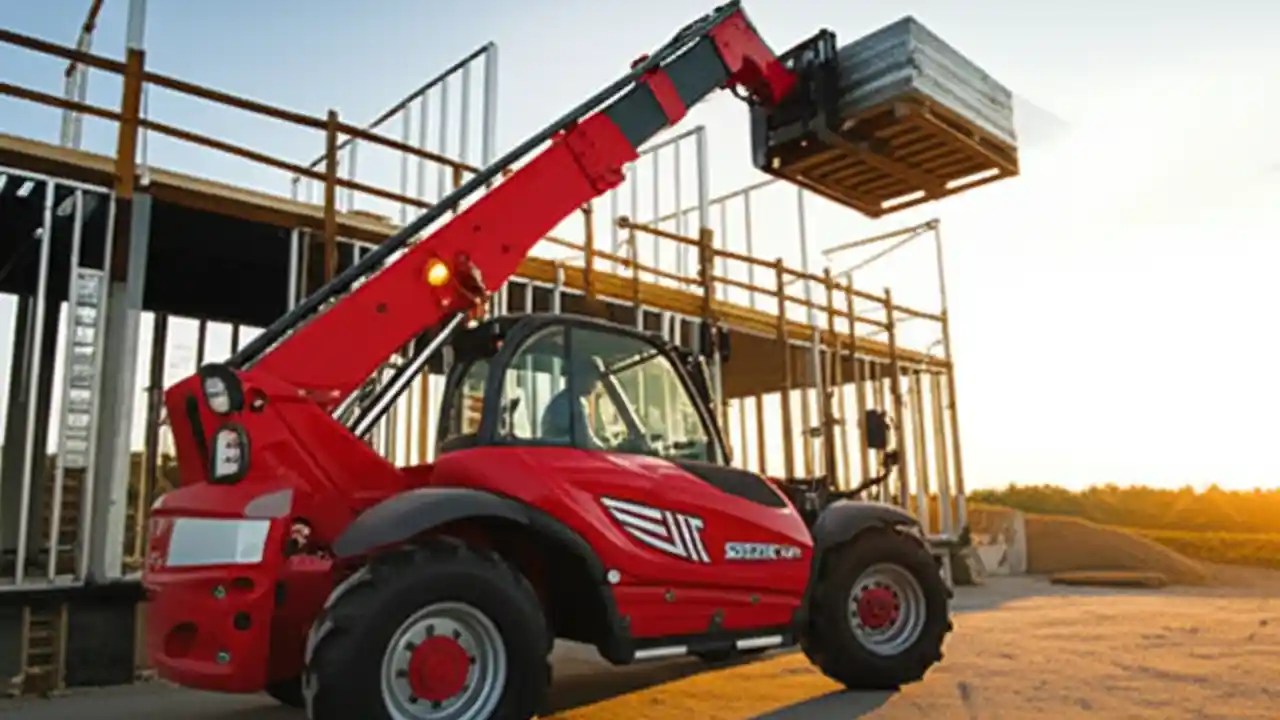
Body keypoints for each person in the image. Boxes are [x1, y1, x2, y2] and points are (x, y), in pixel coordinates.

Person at [540, 355, 607, 449]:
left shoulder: (569, 400)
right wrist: (607, 449)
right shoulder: (567, 404)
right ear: (580, 376)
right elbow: (585, 441)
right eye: (593, 378)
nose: (596, 384)